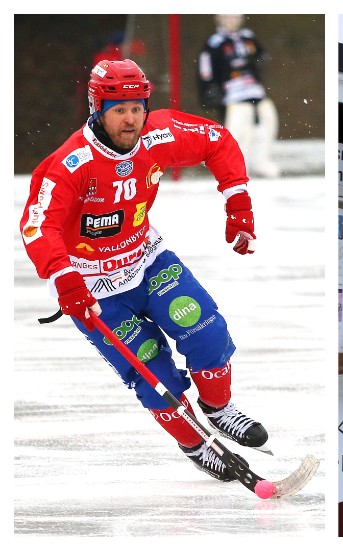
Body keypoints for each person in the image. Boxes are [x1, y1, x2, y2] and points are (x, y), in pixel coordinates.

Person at [19, 58, 269, 482]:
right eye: (119, 110)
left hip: (147, 259)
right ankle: (195, 444)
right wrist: (64, 279)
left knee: (207, 331)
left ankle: (218, 407)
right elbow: (36, 225)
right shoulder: (70, 164)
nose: (131, 119)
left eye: (138, 107)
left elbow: (218, 140)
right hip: (90, 286)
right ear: (97, 110)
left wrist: (238, 204)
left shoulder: (160, 133)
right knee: (152, 373)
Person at [198, 14, 280, 178]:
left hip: (255, 89)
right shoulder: (215, 42)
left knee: (267, 121)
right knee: (238, 129)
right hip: (233, 92)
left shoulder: (248, 37)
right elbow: (205, 67)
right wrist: (209, 87)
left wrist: (259, 61)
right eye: (227, 17)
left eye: (234, 17)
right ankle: (234, 165)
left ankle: (260, 161)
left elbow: (261, 56)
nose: (231, 21)